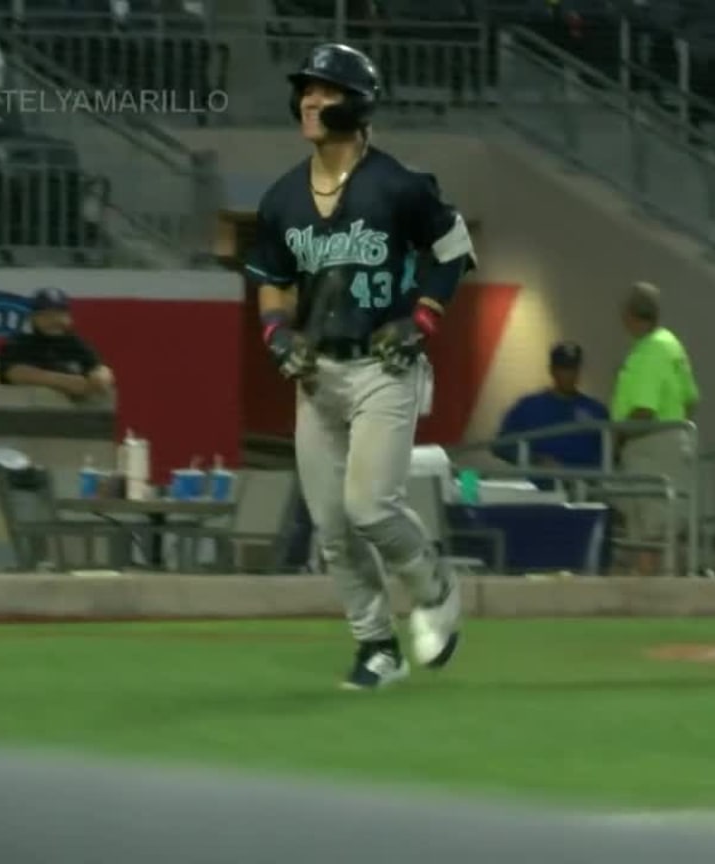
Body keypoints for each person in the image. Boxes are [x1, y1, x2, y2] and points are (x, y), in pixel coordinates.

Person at [246, 43, 476, 690]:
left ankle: (432, 586)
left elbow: (453, 250)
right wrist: (275, 332)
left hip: (384, 365)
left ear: (359, 103)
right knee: (333, 527)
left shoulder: (399, 184)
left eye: (326, 90)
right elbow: (272, 281)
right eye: (307, 90)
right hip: (317, 374)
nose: (310, 100)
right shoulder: (283, 197)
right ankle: (376, 646)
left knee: (370, 506)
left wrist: (423, 317)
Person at [610, 282, 699, 577]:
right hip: (675, 441)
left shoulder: (648, 352)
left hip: (649, 447)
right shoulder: (671, 345)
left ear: (629, 315)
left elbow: (643, 410)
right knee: (665, 526)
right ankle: (668, 584)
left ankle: (650, 591)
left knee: (647, 529)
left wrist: (618, 440)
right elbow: (691, 399)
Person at [492, 342, 608, 483]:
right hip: (540, 490)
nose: (569, 375)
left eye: (573, 369)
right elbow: (501, 445)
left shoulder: (596, 410)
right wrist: (535, 459)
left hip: (584, 489)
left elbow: (607, 456)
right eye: (563, 369)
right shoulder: (529, 406)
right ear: (552, 370)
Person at [0, 288, 113, 399]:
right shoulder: (18, 343)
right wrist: (64, 381)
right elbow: (13, 373)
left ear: (69, 318)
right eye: (47, 315)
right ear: (33, 318)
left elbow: (99, 368)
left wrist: (101, 377)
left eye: (60, 314)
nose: (54, 320)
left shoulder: (75, 344)